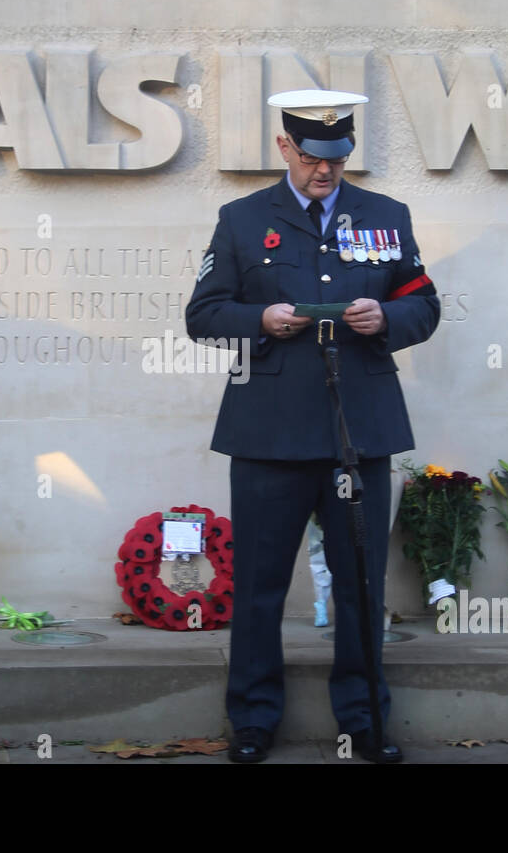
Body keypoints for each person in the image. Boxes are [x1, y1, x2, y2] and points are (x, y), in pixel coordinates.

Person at [185, 89, 440, 764]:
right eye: (309, 158)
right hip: (267, 432)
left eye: (336, 157)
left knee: (361, 584)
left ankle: (363, 722)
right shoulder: (242, 220)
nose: (324, 172)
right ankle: (252, 720)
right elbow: (204, 314)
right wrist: (260, 321)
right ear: (284, 149)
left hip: (361, 431)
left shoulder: (386, 217)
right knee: (261, 586)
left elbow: (423, 303)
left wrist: (386, 319)